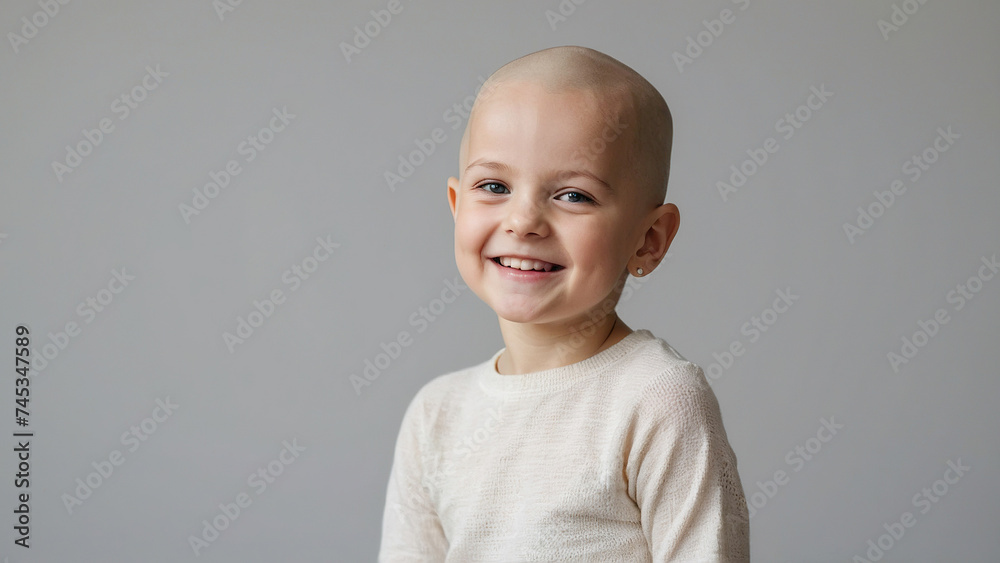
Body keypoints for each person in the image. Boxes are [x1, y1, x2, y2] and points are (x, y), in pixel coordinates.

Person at [379, 45, 749, 562]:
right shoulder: (435, 416)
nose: (524, 220)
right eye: (494, 186)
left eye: (574, 195)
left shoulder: (658, 399)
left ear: (649, 239)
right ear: (457, 206)